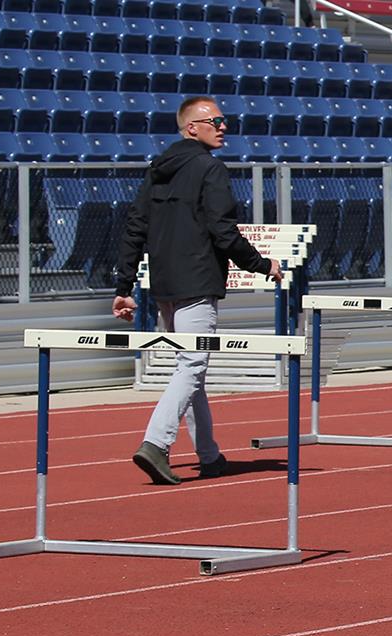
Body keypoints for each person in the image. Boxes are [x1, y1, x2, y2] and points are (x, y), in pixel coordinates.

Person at [111, 96, 281, 485]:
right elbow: (224, 231)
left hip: (166, 286)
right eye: (216, 120)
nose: (224, 126)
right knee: (192, 366)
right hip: (197, 282)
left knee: (192, 370)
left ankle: (209, 454)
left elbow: (134, 228)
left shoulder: (158, 169)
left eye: (224, 120)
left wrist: (124, 287)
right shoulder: (210, 168)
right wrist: (262, 265)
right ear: (192, 127)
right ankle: (155, 442)